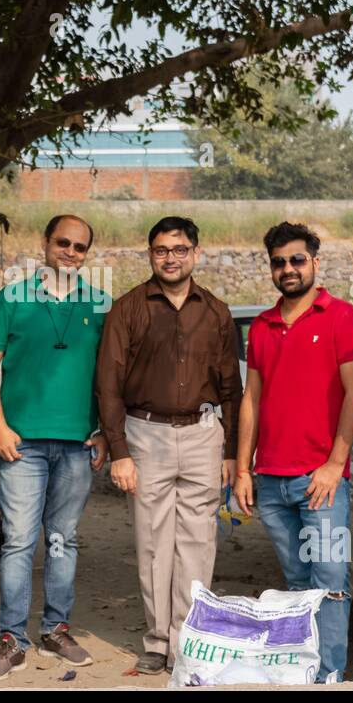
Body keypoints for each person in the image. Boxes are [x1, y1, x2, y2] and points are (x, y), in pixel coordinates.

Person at [96, 216, 241, 674]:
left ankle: (189, 639)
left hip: (202, 434)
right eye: (161, 250)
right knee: (153, 542)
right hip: (146, 434)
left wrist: (233, 452)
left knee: (198, 543)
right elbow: (108, 383)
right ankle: (158, 641)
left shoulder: (216, 311)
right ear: (151, 255)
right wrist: (119, 450)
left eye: (179, 249)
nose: (171, 258)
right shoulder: (129, 308)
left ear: (196, 253)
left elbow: (231, 387)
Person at [233, 222, 353, 682]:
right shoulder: (263, 326)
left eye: (296, 260)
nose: (288, 269)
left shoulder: (342, 316)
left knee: (330, 582)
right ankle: (303, 670)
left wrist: (335, 465)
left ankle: (331, 674)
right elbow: (250, 398)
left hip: (321, 481)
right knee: (296, 584)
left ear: (314, 262)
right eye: (279, 262)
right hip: (270, 480)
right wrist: (243, 468)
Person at [0, 215, 108, 682]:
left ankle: (56, 628)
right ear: (45, 243)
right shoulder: (13, 297)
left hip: (76, 443)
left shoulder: (100, 303)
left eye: (80, 247)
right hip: (22, 443)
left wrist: (105, 432)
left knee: (63, 540)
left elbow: (108, 381)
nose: (71, 252)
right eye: (63, 243)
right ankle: (12, 638)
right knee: (17, 541)